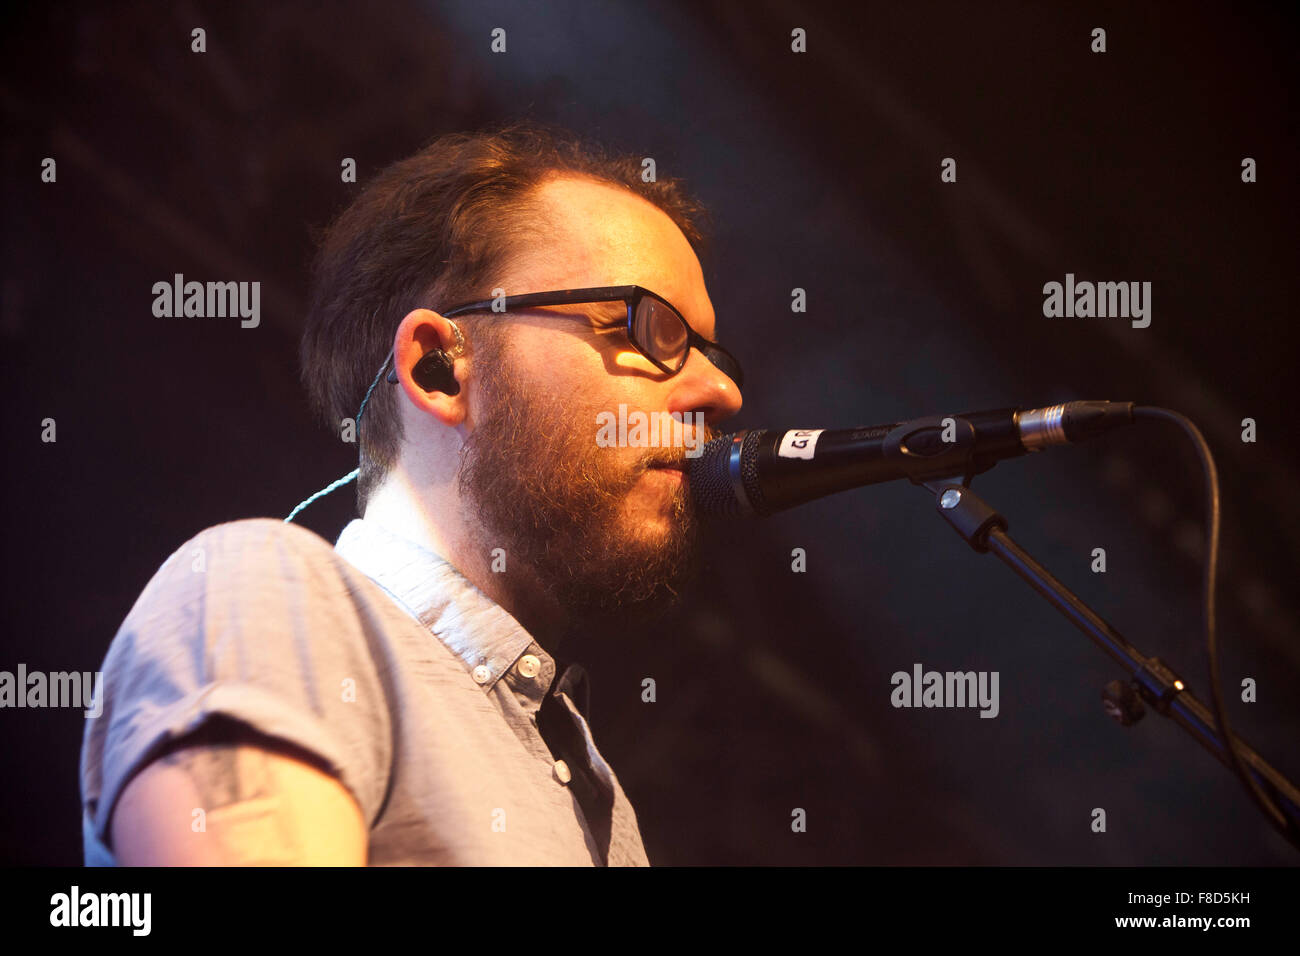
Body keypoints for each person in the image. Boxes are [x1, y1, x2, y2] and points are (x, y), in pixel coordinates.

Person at [79, 125, 744, 865]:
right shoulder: (270, 596)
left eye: (711, 352)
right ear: (438, 368)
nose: (721, 390)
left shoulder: (595, 786)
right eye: (654, 329)